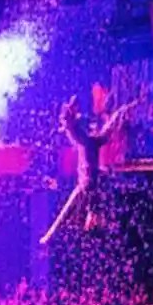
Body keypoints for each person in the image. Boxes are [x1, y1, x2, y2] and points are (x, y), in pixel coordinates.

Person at [39, 93, 137, 245]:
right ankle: (51, 236)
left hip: (87, 182)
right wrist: (122, 112)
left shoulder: (89, 142)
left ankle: (51, 236)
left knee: (71, 209)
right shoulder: (90, 142)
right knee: (74, 209)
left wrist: (122, 112)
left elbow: (104, 129)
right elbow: (106, 129)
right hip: (88, 181)